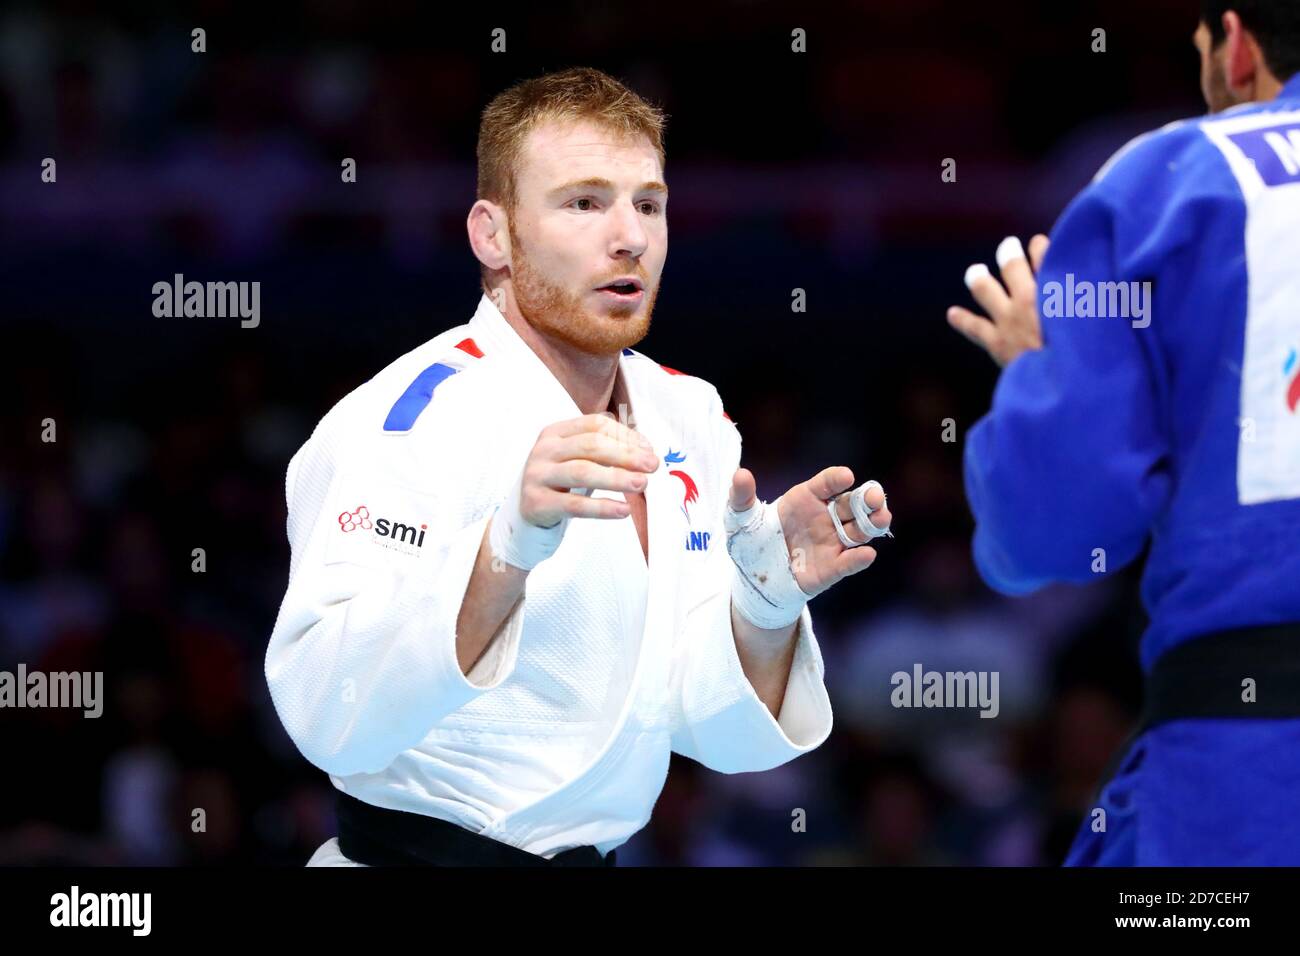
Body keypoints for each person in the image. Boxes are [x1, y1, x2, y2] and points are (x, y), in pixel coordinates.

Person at [265, 67, 893, 866]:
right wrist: (506, 549)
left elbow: (704, 728)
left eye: (648, 204)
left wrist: (763, 607)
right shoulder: (402, 422)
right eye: (584, 202)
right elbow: (327, 711)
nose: (628, 235)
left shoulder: (688, 415)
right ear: (494, 235)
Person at [946, 2, 1300, 864]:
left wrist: (1043, 368)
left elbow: (1056, 528)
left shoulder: (1177, 179)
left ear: (1238, 43)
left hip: (1253, 766)